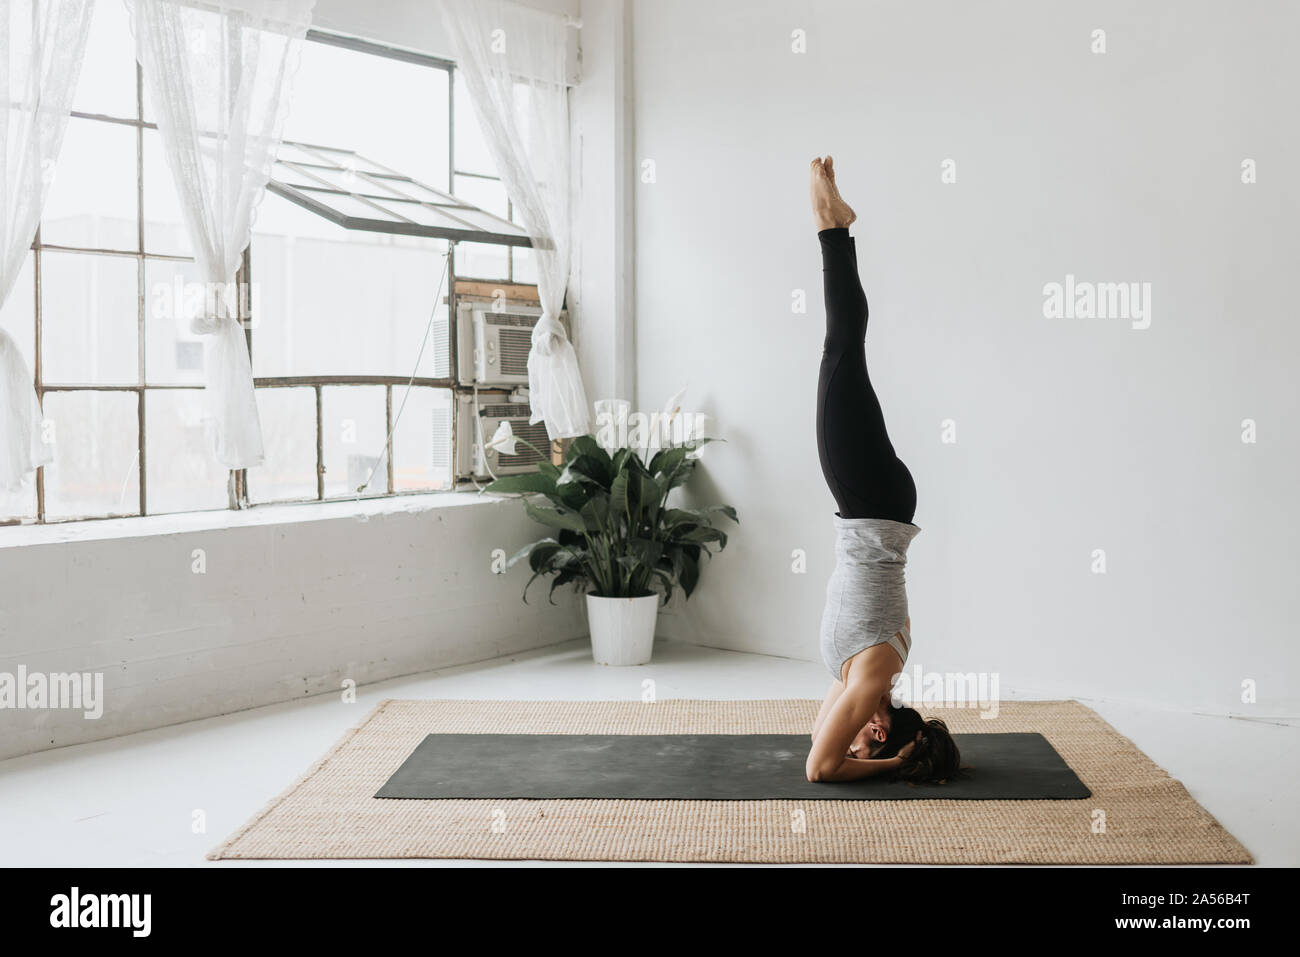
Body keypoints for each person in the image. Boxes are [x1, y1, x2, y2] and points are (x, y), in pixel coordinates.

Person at [804, 156, 962, 784]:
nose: (856, 747)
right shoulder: (871, 679)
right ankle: (831, 229)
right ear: (879, 727)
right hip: (872, 502)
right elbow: (821, 769)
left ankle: (834, 229)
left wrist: (890, 747)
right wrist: (895, 762)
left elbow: (824, 743)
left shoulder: (867, 680)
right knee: (842, 349)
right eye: (869, 744)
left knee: (846, 352)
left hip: (881, 505)